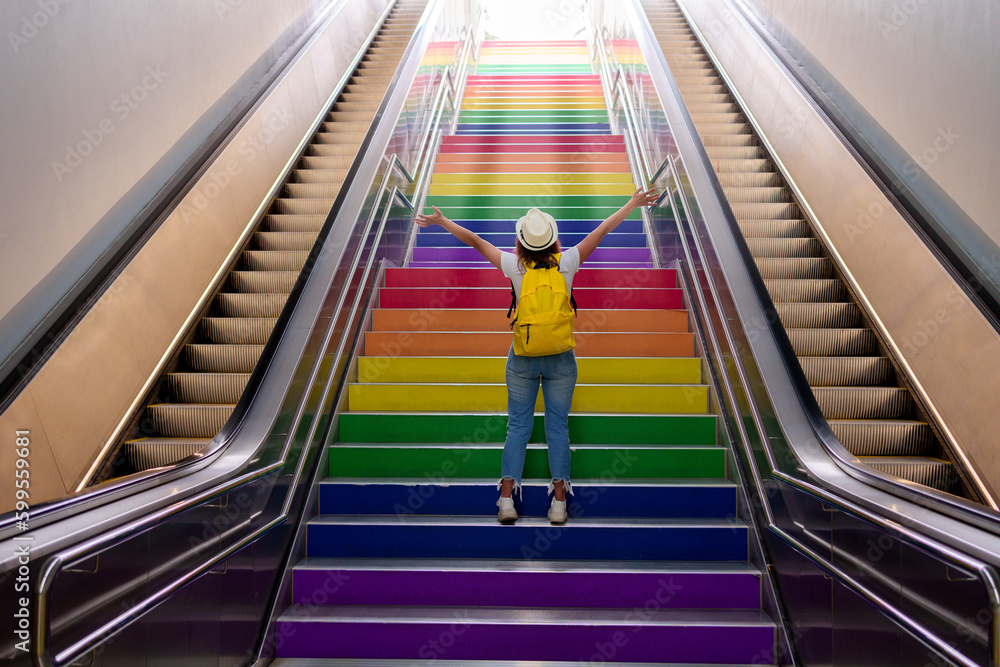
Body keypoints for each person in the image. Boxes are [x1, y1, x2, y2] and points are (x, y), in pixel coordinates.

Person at [414, 187, 659, 525]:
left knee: (518, 427)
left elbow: (474, 241)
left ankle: (505, 502)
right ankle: (558, 505)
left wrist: (442, 221)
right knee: (557, 427)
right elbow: (601, 231)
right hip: (561, 357)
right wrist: (632, 203)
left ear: (522, 242)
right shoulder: (568, 262)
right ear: (552, 240)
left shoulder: (514, 266)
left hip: (522, 357)